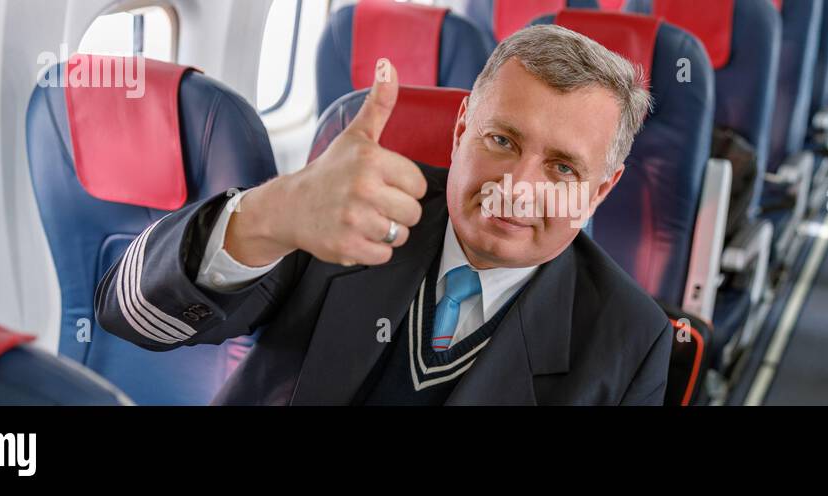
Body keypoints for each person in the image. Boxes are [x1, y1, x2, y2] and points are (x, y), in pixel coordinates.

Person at [95, 25, 673, 405]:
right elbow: (133, 315)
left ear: (602, 190)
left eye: (563, 169)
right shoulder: (343, 211)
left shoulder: (628, 339)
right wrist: (269, 214)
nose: (518, 188)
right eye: (501, 140)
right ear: (461, 128)